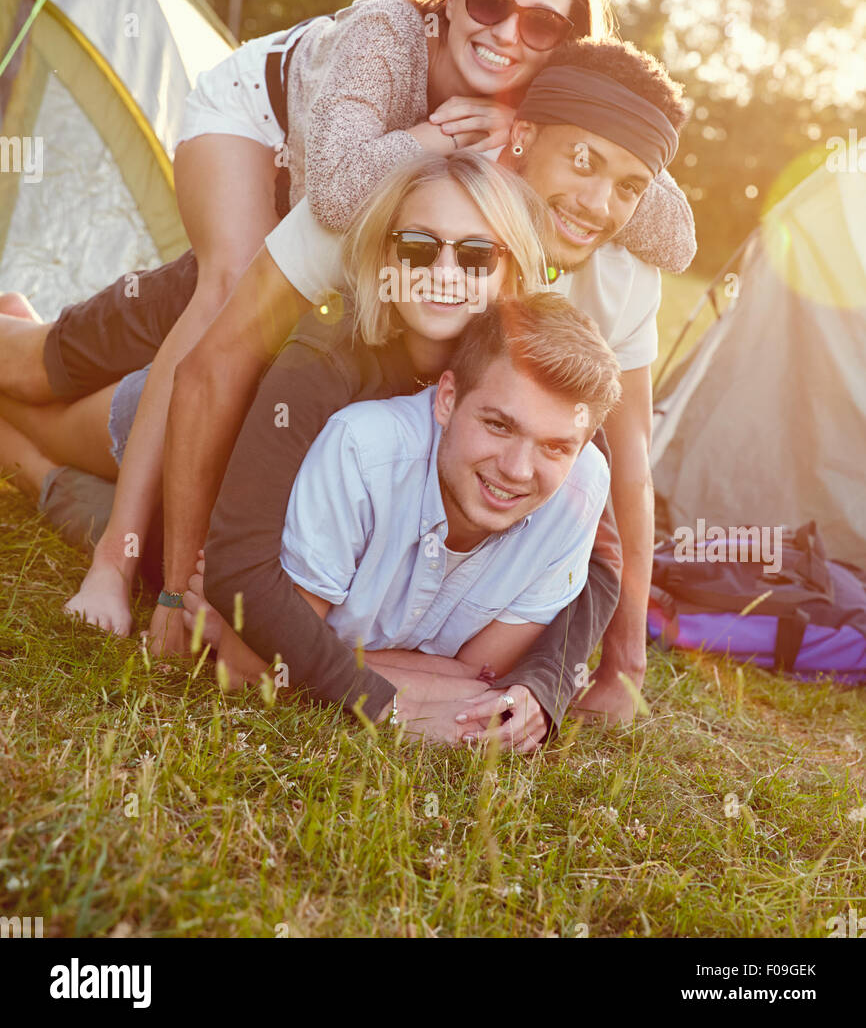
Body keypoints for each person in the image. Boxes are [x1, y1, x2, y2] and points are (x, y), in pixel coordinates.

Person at [0, 0, 695, 644]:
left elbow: (675, 234)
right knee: (223, 294)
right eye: (490, 0)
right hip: (265, 130)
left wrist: (597, 161)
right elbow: (335, 192)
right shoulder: (387, 34)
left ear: (565, 43)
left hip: (343, 226)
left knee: (260, 346)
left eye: (543, 23)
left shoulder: (546, 110)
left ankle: (28, 341)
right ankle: (113, 563)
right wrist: (431, 139)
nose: (508, 32)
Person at [0, 154, 623, 748]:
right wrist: (176, 595)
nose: (443, 273)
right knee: (25, 396)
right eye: (416, 247)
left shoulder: (523, 379)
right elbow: (240, 565)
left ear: (511, 272)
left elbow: (598, 554)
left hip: (268, 512)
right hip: (183, 436)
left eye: (477, 255)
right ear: (385, 256)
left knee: (32, 450)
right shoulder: (329, 353)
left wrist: (542, 686)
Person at [197, 293, 621, 753]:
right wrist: (400, 707)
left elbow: (480, 679)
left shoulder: (581, 487)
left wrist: (304, 653)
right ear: (447, 399)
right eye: (499, 425)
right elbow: (247, 670)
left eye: (555, 447)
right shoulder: (362, 452)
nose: (517, 470)